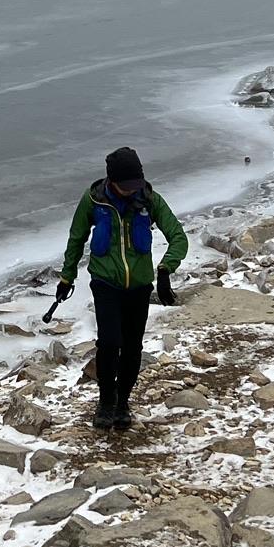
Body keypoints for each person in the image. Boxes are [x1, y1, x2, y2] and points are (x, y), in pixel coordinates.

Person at [57, 146, 188, 430]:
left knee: (132, 347)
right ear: (111, 180)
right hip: (105, 283)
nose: (131, 190)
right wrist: (67, 277)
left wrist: (166, 269)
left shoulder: (150, 200)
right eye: (126, 185)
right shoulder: (93, 201)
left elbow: (178, 236)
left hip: (139, 286)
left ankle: (123, 403)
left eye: (136, 184)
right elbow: (76, 238)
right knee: (109, 342)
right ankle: (105, 402)